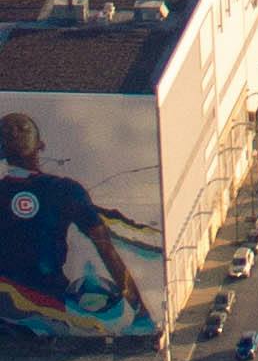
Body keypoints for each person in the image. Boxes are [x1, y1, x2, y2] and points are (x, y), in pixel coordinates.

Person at [0, 109, 156, 346]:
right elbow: (106, 250)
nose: (15, 132)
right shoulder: (64, 190)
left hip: (9, 308)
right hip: (50, 305)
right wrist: (141, 312)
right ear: (40, 146)